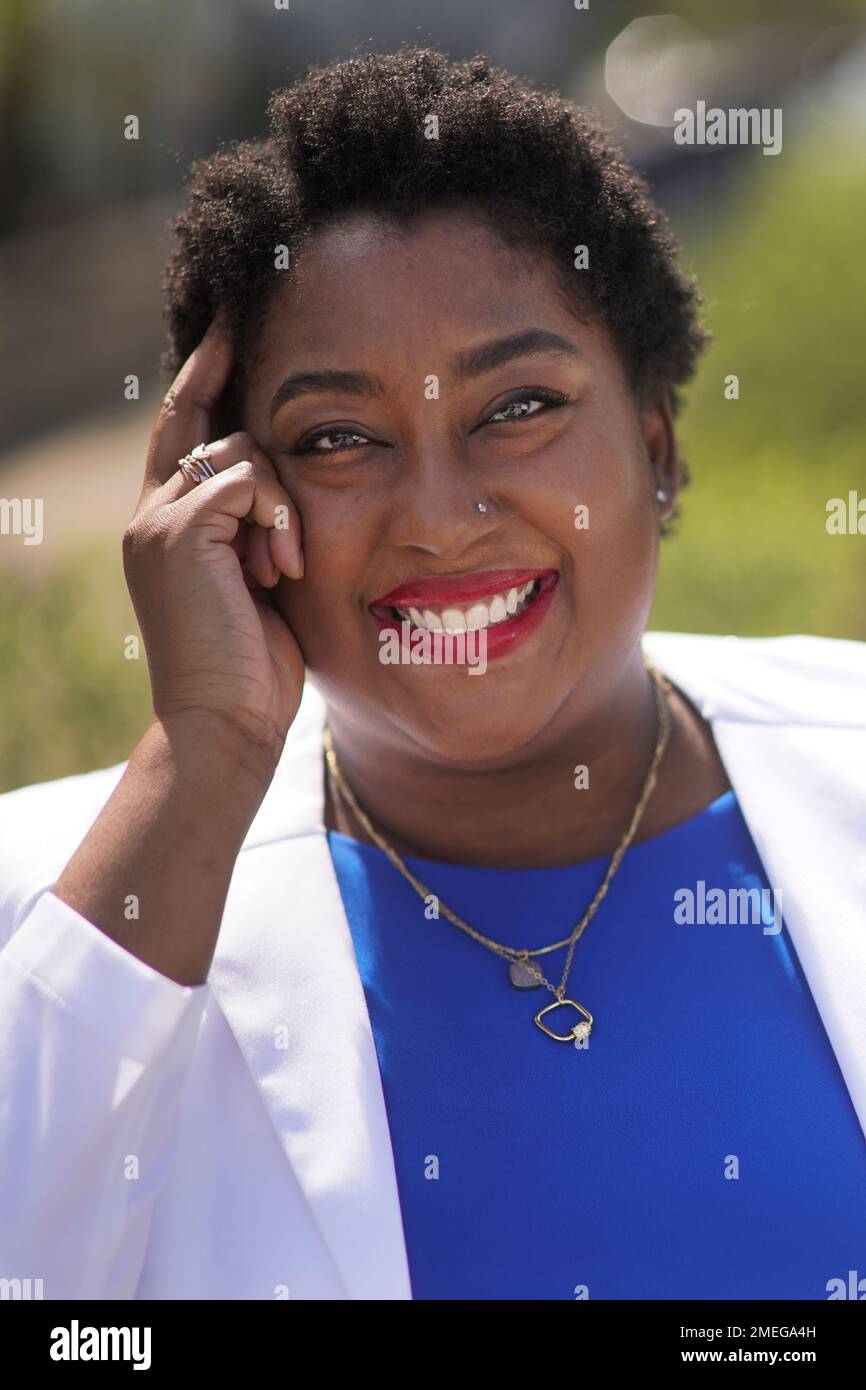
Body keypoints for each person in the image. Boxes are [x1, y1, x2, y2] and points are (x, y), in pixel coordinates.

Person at [1, 50, 864, 1302]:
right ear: (226, 496)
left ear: (656, 443)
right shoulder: (67, 912)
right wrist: (200, 754)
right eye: (338, 437)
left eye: (515, 408)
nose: (440, 519)